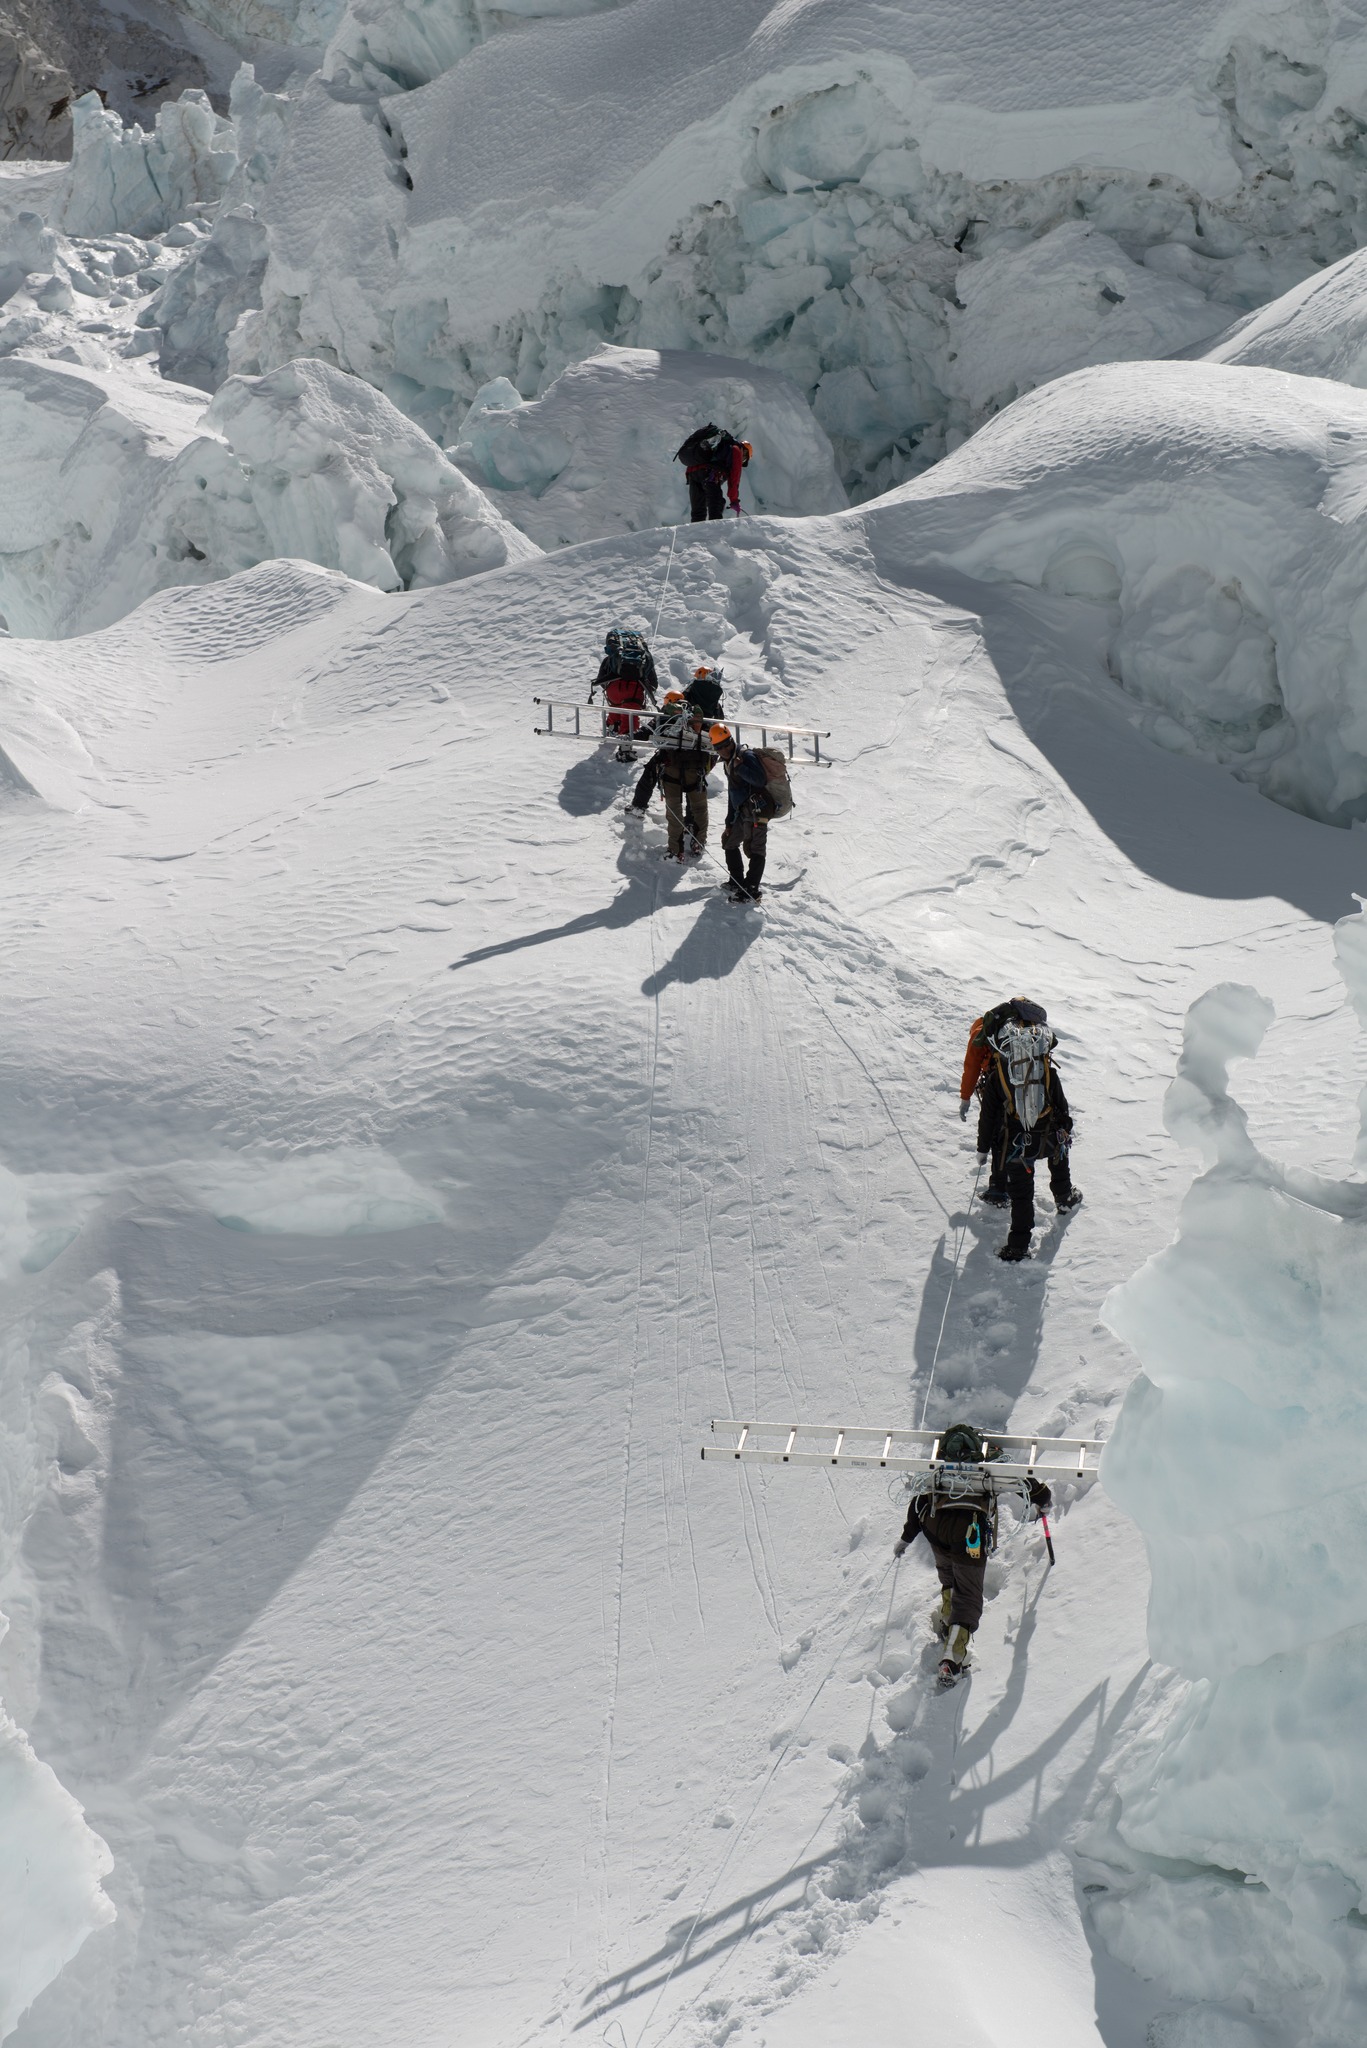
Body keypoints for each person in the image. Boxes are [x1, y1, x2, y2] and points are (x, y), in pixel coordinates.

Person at [892, 1422, 1052, 1684]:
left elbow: (919, 1501)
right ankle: (953, 1659)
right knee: (968, 1594)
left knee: (948, 1574)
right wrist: (1042, 1498)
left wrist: (906, 1538)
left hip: (934, 1524)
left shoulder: (941, 1466)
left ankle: (947, 1620)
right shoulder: (991, 1462)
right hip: (968, 1532)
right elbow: (1021, 1480)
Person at [976, 1011, 1082, 1262]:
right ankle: (1064, 1197)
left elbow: (988, 1118)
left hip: (1016, 1144)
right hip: (1048, 1135)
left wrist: (983, 1149)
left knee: (1022, 1194)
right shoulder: (1045, 1067)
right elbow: (1062, 1108)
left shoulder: (998, 1074)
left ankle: (1018, 1246)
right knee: (1059, 1159)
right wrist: (1064, 1128)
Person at [959, 999, 1050, 1207]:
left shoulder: (980, 1034)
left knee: (1000, 1136)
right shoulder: (1022, 1026)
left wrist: (965, 1098)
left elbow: (971, 1067)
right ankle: (1017, 1180)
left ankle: (998, 1189)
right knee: (1018, 1130)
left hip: (999, 1086)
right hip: (1026, 1081)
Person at [710, 725, 774, 904]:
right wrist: (729, 821)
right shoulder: (729, 762)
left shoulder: (746, 756)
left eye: (726, 744)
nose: (723, 749)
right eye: (719, 747)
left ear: (731, 740)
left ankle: (751, 889)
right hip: (742, 810)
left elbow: (759, 780)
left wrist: (740, 769)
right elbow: (733, 791)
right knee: (729, 843)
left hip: (758, 809)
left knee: (756, 848)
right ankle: (737, 881)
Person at [590, 625, 658, 761]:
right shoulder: (645, 658)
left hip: (613, 689)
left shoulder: (612, 658)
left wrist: (610, 687)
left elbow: (601, 679)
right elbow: (653, 683)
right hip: (634, 692)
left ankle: (612, 727)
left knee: (616, 707)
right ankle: (625, 749)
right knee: (630, 716)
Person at [656, 707, 715, 860]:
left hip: (672, 774)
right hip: (695, 775)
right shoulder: (706, 737)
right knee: (699, 810)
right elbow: (713, 755)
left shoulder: (668, 730)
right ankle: (697, 843)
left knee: (674, 812)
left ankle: (676, 850)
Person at [626, 691, 686, 816]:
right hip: (689, 756)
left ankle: (638, 806)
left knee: (649, 776)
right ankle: (691, 821)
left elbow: (647, 731)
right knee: (692, 788)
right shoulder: (689, 714)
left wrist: (630, 736)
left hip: (667, 754)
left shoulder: (665, 715)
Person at [674, 425, 752, 521]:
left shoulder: (721, 448)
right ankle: (715, 531)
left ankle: (695, 533)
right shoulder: (736, 450)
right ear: (744, 451)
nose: (742, 461)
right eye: (744, 459)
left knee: (698, 510)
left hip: (692, 474)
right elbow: (734, 480)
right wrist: (734, 500)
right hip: (710, 474)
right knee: (716, 504)